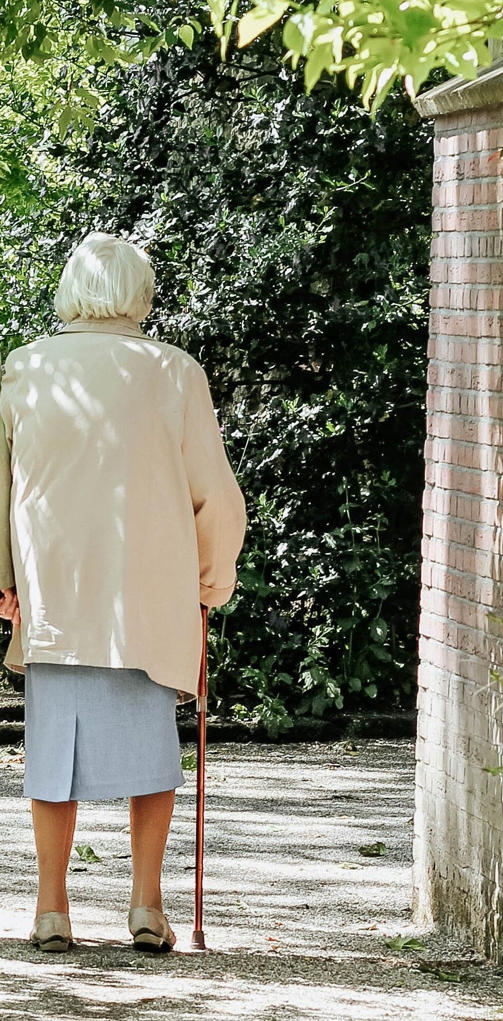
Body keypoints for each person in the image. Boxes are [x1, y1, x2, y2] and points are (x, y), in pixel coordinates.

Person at [0, 232, 247, 953]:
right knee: (151, 754)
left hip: (56, 593)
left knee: (52, 755)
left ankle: (52, 908)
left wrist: (5, 581)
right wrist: (212, 577)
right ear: (140, 292)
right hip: (146, 593)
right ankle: (146, 904)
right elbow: (215, 496)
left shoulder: (25, 369)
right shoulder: (173, 373)